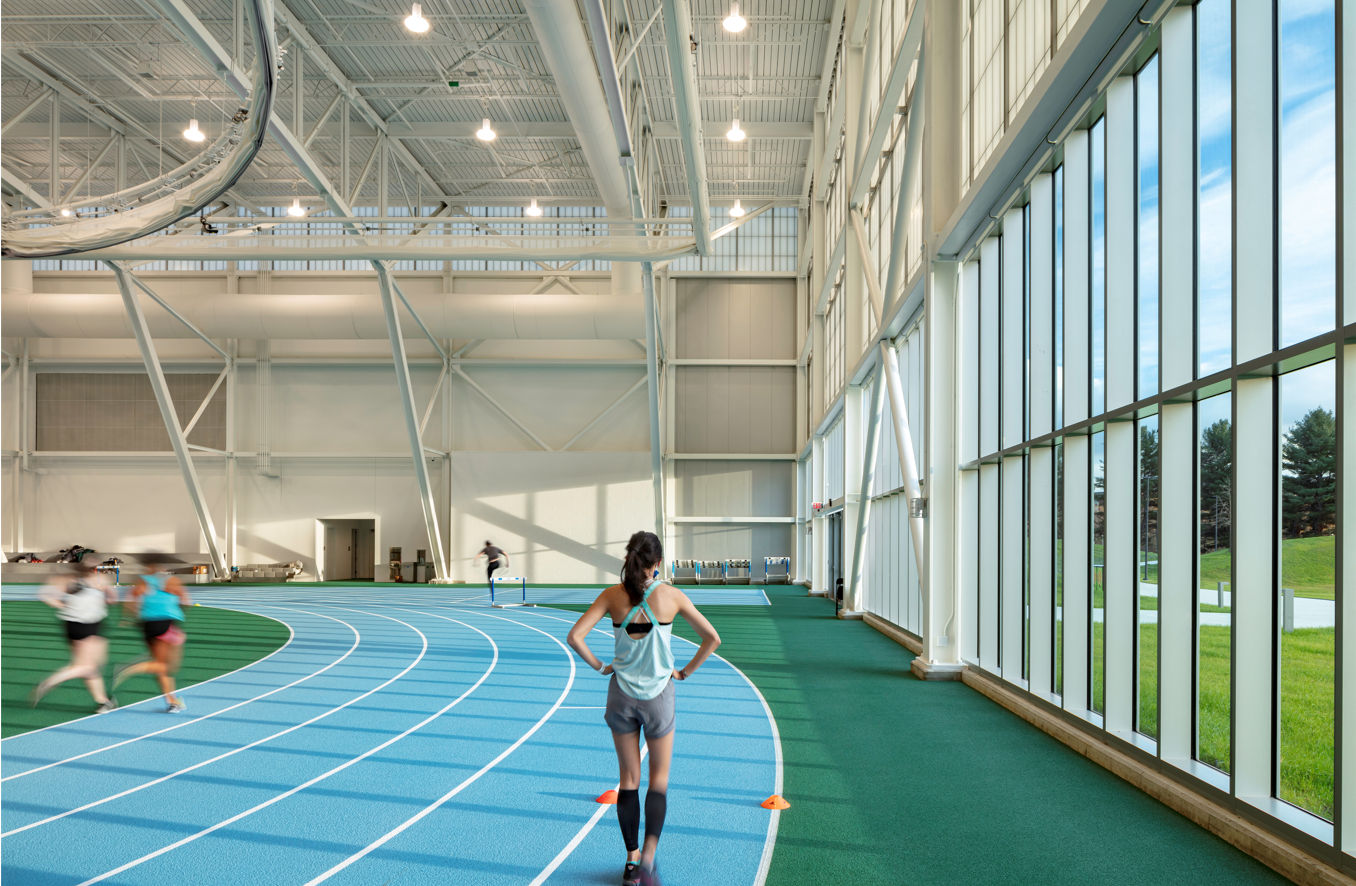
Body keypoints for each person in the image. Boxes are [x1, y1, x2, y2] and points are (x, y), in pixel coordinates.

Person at [567, 531, 721, 886]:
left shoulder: (611, 596)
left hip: (620, 694)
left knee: (628, 781)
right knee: (659, 780)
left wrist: (600, 665)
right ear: (658, 563)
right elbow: (712, 638)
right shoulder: (671, 596)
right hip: (658, 697)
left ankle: (632, 863)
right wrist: (684, 672)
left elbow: (575, 637)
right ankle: (650, 854)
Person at [31, 562, 119, 713]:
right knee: (88, 666)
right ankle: (50, 682)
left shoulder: (67, 580)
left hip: (71, 625)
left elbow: (43, 594)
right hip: (91, 625)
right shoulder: (98, 579)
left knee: (90, 666)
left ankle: (103, 701)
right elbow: (113, 599)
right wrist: (103, 600)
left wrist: (62, 605)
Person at [113, 554, 190, 713]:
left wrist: (130, 619)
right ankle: (129, 669)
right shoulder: (171, 580)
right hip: (166, 623)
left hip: (147, 625)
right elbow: (185, 600)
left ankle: (172, 702)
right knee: (168, 665)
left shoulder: (142, 581)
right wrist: (177, 607)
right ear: (161, 566)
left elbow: (132, 602)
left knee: (161, 665)